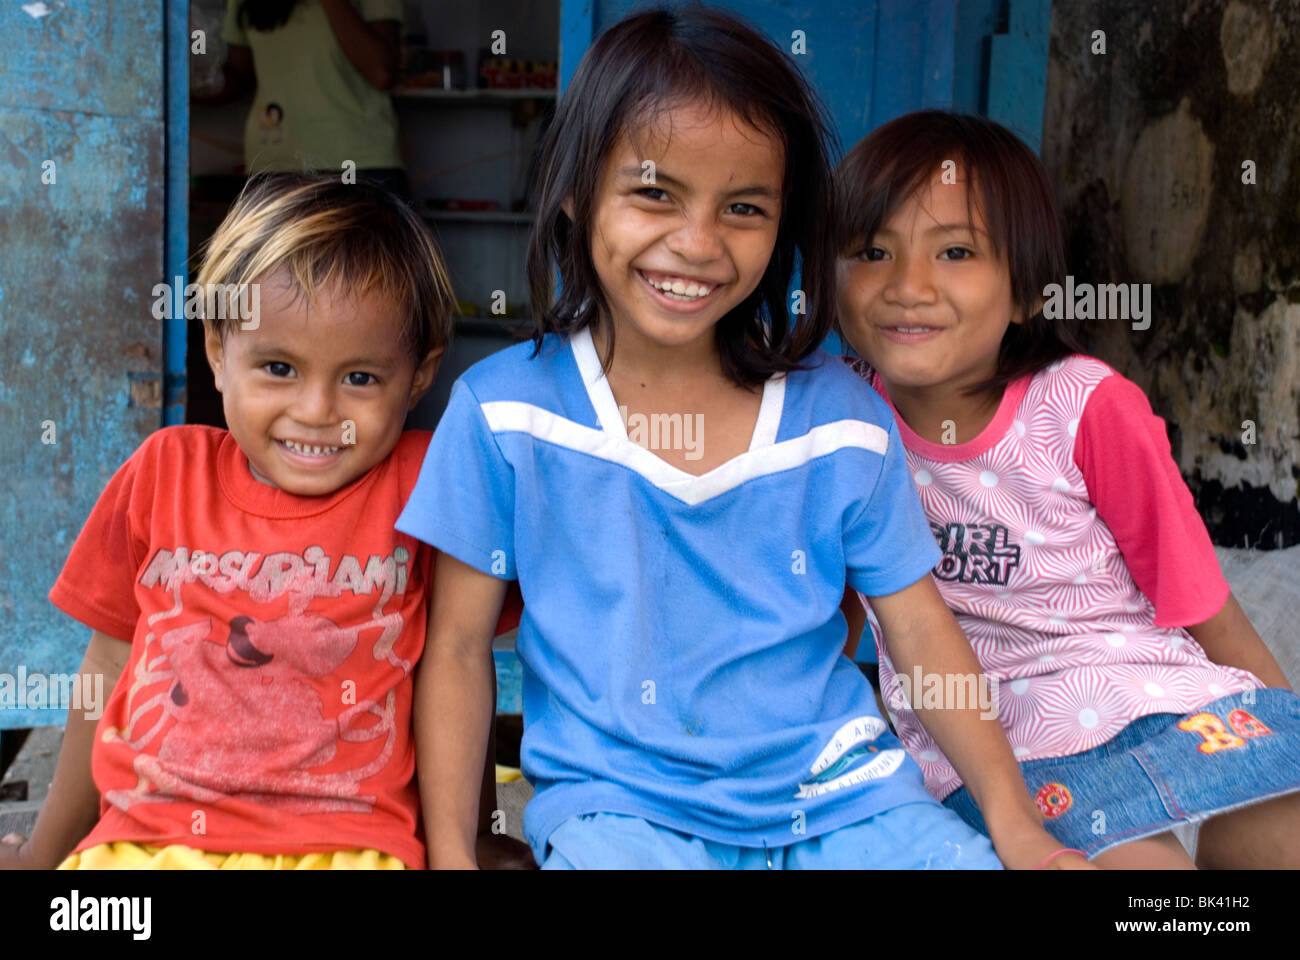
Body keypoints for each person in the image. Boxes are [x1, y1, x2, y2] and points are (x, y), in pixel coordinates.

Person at [396, 5, 1089, 870]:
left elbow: (918, 630)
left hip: (848, 798)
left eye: (744, 207)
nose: (696, 244)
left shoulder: (840, 422)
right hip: (621, 815)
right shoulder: (504, 415)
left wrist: (1016, 826)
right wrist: (455, 856)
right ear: (577, 192)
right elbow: (458, 650)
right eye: (655, 192)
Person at [0, 175, 526, 870]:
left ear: (420, 375)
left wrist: (470, 842)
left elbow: (456, 663)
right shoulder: (164, 474)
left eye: (360, 378)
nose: (315, 410)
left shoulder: (427, 482)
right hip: (148, 847)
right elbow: (109, 665)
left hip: (348, 851)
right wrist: (42, 855)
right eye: (279, 367)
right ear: (218, 351)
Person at [834, 109, 1300, 868]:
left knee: (1284, 828)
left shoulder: (1085, 406)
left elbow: (1195, 593)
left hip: (1150, 696)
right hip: (997, 745)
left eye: (955, 251)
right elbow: (834, 610)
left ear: (1026, 294)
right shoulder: (844, 425)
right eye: (872, 251)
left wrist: (1282, 729)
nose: (907, 285)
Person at [212, 0, 409, 197]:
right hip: (273, 164)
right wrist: (195, 79)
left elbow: (381, 72)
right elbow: (238, 74)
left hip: (355, 162)